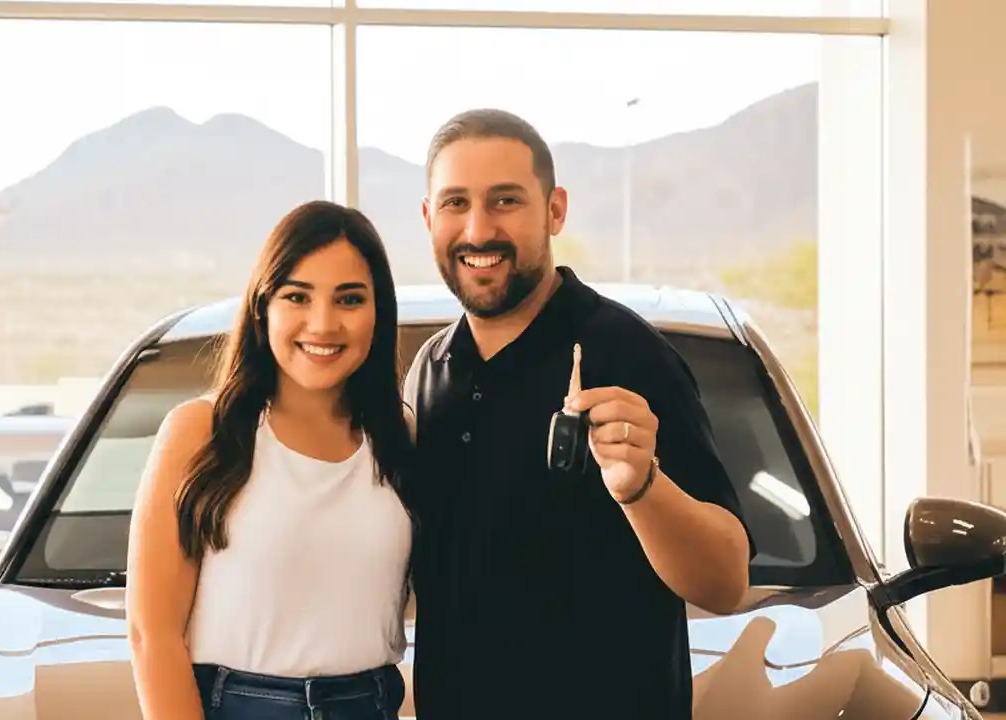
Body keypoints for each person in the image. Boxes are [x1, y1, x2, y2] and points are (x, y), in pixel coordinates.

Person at [402, 109, 754, 719]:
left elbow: (725, 582)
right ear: (430, 218)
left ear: (555, 210)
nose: (478, 229)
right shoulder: (429, 369)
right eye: (456, 203)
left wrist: (641, 488)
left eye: (505, 200)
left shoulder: (630, 355)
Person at [127, 200, 413, 720]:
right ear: (262, 307)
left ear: (379, 312)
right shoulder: (200, 433)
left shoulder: (399, 438)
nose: (323, 324)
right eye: (297, 296)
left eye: (349, 299)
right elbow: (153, 635)